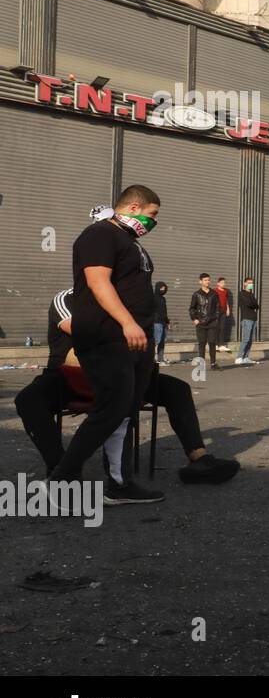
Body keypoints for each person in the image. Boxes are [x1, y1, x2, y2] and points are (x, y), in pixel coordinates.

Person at [17, 288, 240, 495]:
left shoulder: (122, 302)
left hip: (119, 375)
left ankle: (199, 459)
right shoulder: (66, 298)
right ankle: (62, 470)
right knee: (28, 399)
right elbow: (82, 331)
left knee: (177, 389)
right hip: (69, 375)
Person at [47, 186, 162, 492]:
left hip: (134, 341)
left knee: (124, 411)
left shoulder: (129, 242)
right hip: (106, 336)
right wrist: (127, 323)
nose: (154, 222)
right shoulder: (99, 235)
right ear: (134, 207)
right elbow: (98, 283)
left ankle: (119, 482)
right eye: (153, 215)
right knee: (111, 407)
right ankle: (62, 478)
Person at [189, 273, 220, 371]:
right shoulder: (196, 294)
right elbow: (192, 308)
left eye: (208, 280)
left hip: (212, 323)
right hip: (201, 323)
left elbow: (218, 307)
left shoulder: (214, 293)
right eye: (205, 280)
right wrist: (194, 319)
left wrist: (216, 318)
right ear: (200, 281)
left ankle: (213, 364)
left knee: (212, 343)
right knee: (202, 343)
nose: (207, 282)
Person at [236, 275, 259, 365]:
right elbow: (249, 304)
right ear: (245, 283)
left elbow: (257, 305)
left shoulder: (252, 294)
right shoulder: (242, 293)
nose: (251, 284)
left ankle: (246, 357)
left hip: (253, 318)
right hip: (246, 319)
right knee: (245, 339)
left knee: (250, 340)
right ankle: (239, 357)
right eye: (249, 283)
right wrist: (253, 304)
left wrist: (253, 304)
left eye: (252, 283)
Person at [152, 281, 171, 365]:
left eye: (164, 287)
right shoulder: (153, 297)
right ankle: (151, 359)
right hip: (156, 323)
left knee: (162, 341)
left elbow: (164, 311)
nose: (163, 289)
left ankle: (160, 359)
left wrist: (167, 322)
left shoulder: (163, 299)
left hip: (163, 323)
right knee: (156, 341)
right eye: (161, 287)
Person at [214, 277, 233, 352]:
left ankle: (221, 345)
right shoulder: (215, 290)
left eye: (224, 282)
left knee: (222, 328)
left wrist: (228, 309)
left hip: (223, 311)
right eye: (221, 282)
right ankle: (215, 345)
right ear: (218, 283)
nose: (223, 284)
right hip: (216, 311)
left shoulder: (226, 291)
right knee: (216, 328)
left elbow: (226, 301)